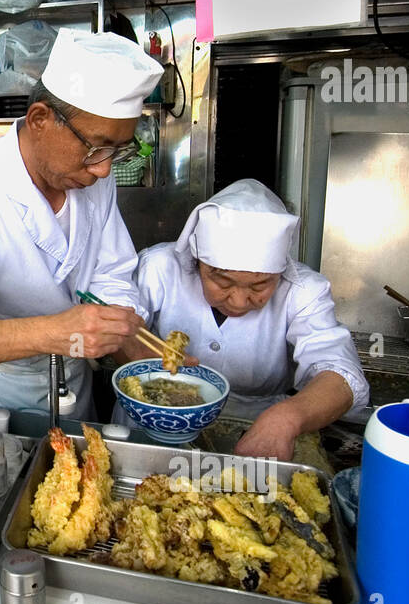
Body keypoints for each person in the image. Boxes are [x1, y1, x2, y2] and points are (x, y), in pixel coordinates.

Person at [0, 29, 164, 423]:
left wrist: (121, 329)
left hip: (75, 384)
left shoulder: (96, 177)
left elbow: (109, 272)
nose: (105, 167)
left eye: (117, 149)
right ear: (40, 118)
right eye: (95, 148)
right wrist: (55, 332)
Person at [121, 179, 369, 460]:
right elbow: (119, 331)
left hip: (255, 430)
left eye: (260, 286)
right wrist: (133, 351)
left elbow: (342, 375)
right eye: (223, 282)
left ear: (280, 271)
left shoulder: (305, 291)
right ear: (198, 260)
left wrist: (287, 418)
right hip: (152, 419)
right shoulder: (159, 268)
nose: (239, 301)